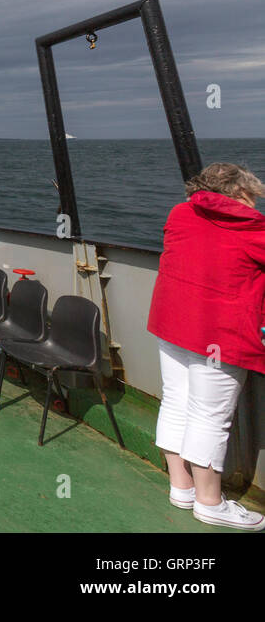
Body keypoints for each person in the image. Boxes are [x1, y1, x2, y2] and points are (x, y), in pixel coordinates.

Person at [147, 163, 265, 530]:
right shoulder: (253, 227)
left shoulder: (180, 212)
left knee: (177, 401)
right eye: (253, 197)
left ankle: (181, 488)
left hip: (173, 323)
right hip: (220, 334)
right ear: (240, 192)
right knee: (210, 417)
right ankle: (210, 502)